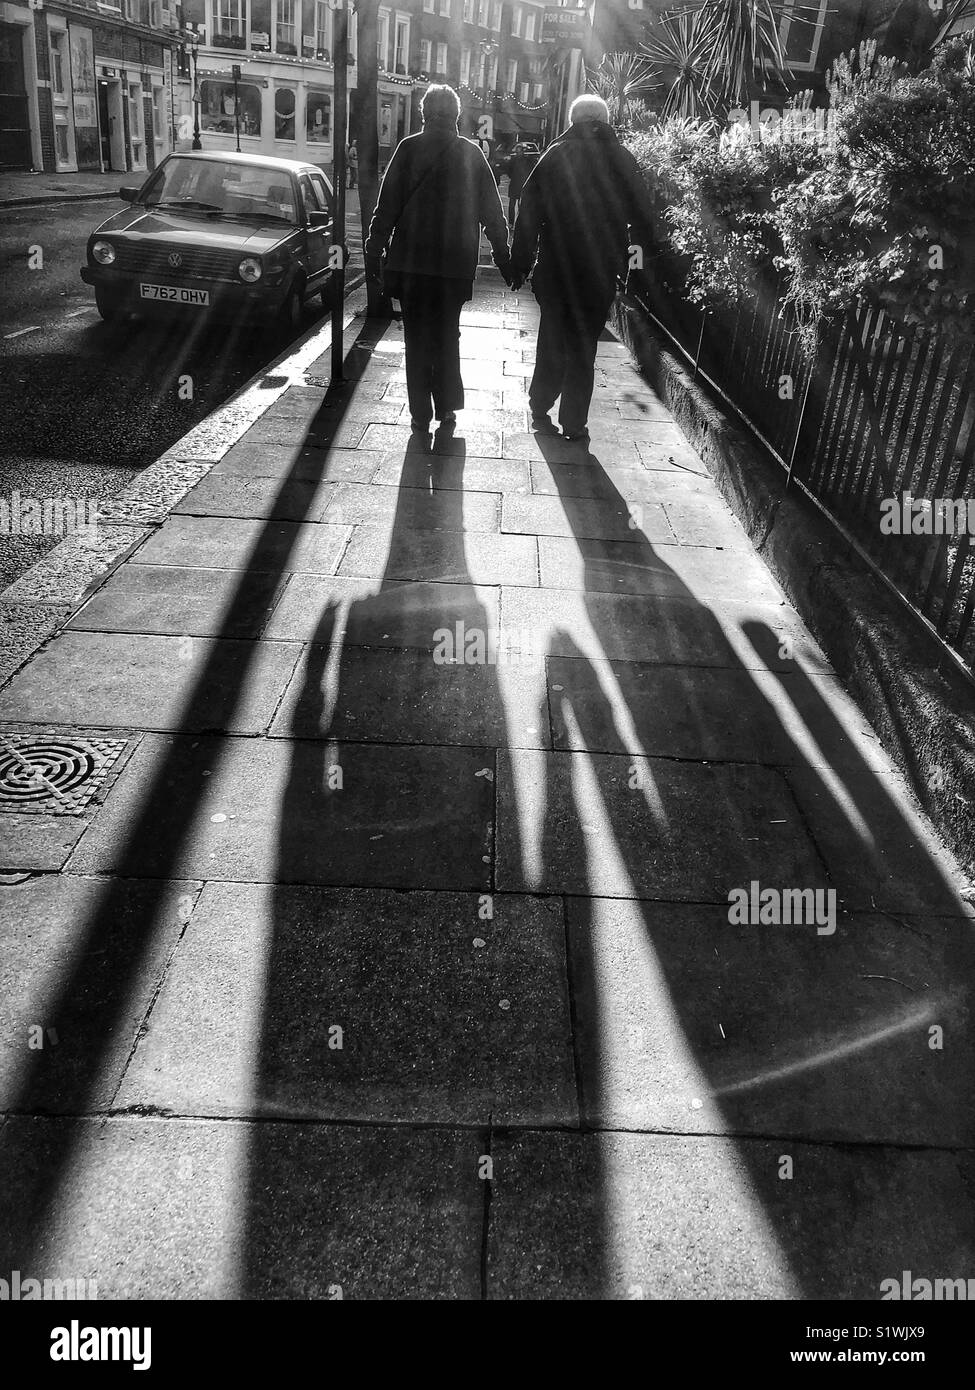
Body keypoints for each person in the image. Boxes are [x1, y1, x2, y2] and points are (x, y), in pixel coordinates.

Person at [364, 84, 512, 434]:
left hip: (411, 264)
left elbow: (386, 208)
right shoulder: (472, 154)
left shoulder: (408, 148)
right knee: (447, 334)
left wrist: (374, 248)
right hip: (454, 267)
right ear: (457, 115)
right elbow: (494, 213)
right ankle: (447, 407)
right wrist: (505, 259)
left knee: (415, 338)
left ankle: (419, 413)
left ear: (423, 113)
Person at [510, 96, 655, 442]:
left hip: (555, 269)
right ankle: (574, 422)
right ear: (604, 121)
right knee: (583, 346)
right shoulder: (623, 159)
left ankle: (540, 403)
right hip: (599, 270)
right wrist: (636, 270)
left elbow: (528, 213)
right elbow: (644, 221)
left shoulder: (555, 156)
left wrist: (519, 263)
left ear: (573, 120)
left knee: (551, 337)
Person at [506, 142, 538, 225]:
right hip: (519, 184)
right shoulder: (525, 160)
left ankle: (514, 223)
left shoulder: (523, 160)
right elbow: (509, 170)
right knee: (516, 205)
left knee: (517, 205)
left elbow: (508, 171)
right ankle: (514, 223)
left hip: (518, 184)